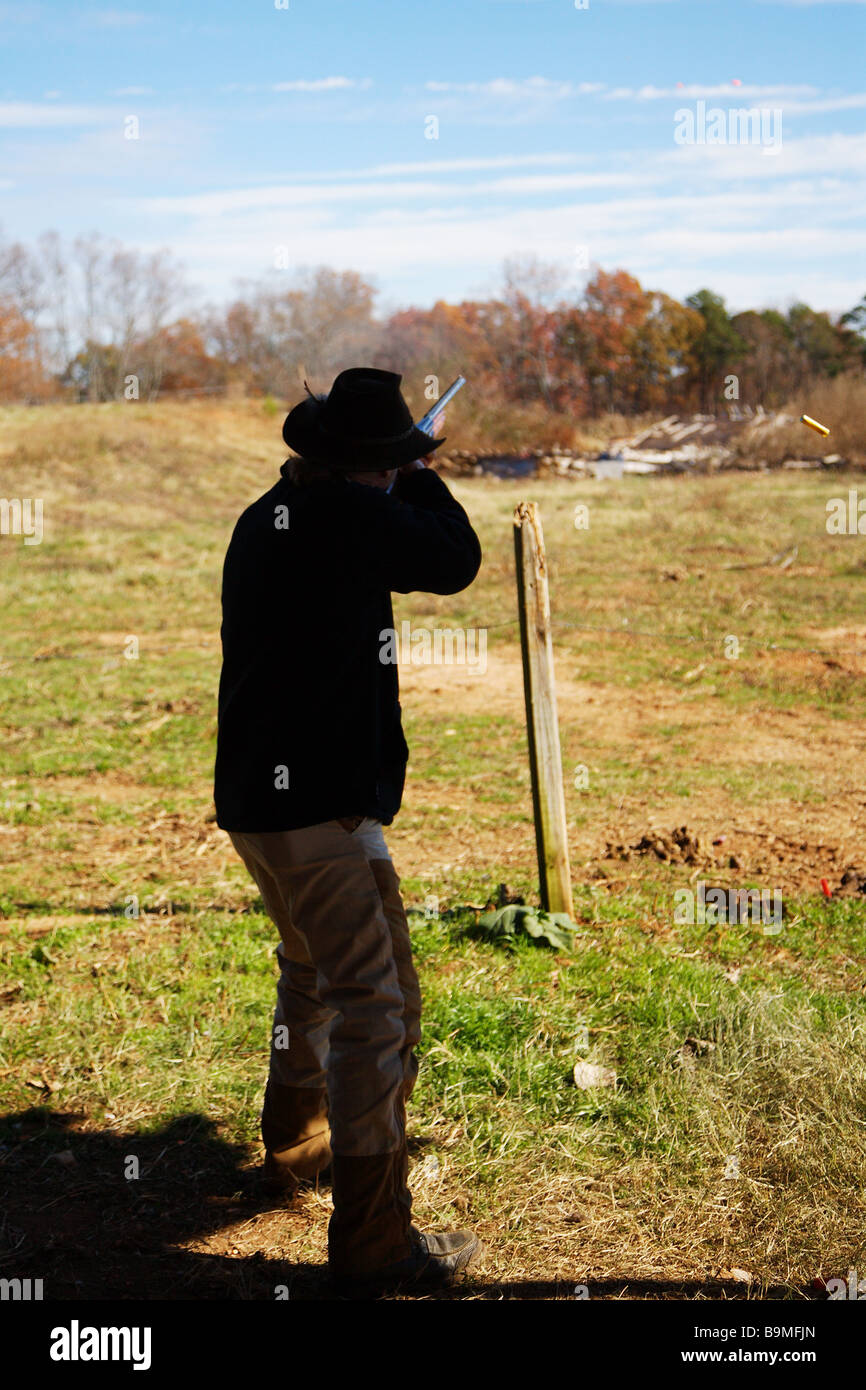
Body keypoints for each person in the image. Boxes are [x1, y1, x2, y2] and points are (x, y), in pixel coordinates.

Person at [213, 367, 483, 1295]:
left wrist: (390, 465)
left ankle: (298, 1144)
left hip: (260, 802)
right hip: (322, 805)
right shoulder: (351, 515)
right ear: (369, 464)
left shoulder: (271, 514)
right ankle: (372, 1243)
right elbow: (455, 558)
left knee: (312, 975)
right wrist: (417, 467)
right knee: (380, 1007)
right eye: (392, 457)